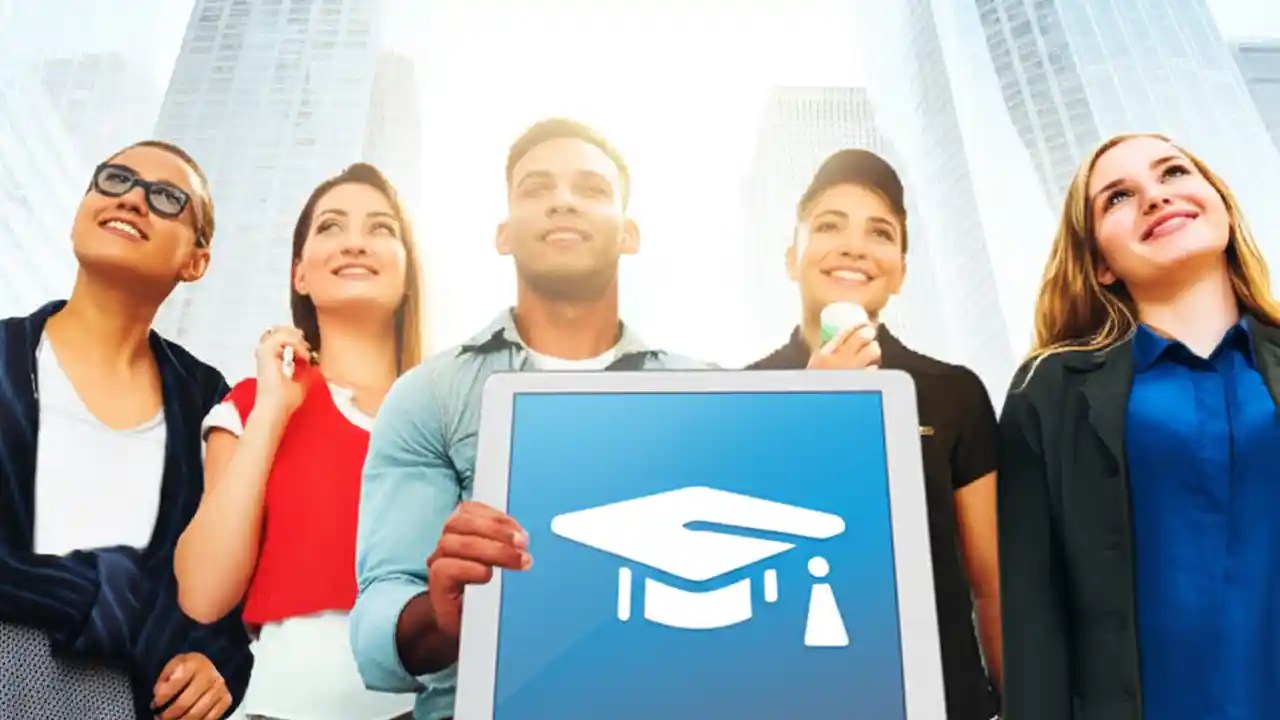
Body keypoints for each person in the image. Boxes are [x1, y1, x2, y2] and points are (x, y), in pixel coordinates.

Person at [348, 118, 707, 719]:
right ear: (504, 234)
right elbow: (381, 611)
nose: (563, 200)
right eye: (536, 188)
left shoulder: (710, 395)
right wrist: (442, 616)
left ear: (630, 234)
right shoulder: (429, 395)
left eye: (590, 189)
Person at [998, 132, 1280, 720]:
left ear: (1220, 204)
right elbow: (1034, 620)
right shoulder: (1047, 396)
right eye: (1118, 197)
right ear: (1099, 263)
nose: (1155, 196)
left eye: (1173, 173)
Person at [0, 140, 252, 720]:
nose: (134, 199)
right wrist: (101, 594)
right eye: (114, 180)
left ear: (196, 261)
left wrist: (219, 665)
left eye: (166, 198)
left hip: (126, 701)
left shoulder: (209, 402)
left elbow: (224, 586)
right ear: (81, 211)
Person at [747, 148, 1003, 720]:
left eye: (880, 233)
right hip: (793, 695)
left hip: (942, 699)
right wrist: (816, 410)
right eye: (829, 225)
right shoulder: (743, 393)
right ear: (792, 257)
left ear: (902, 271)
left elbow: (990, 584)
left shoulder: (953, 391)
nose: (855, 246)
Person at [173, 163, 424, 720]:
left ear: (408, 272)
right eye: (330, 227)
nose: (355, 241)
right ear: (299, 275)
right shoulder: (249, 406)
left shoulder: (459, 412)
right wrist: (270, 411)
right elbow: (205, 591)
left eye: (381, 228)